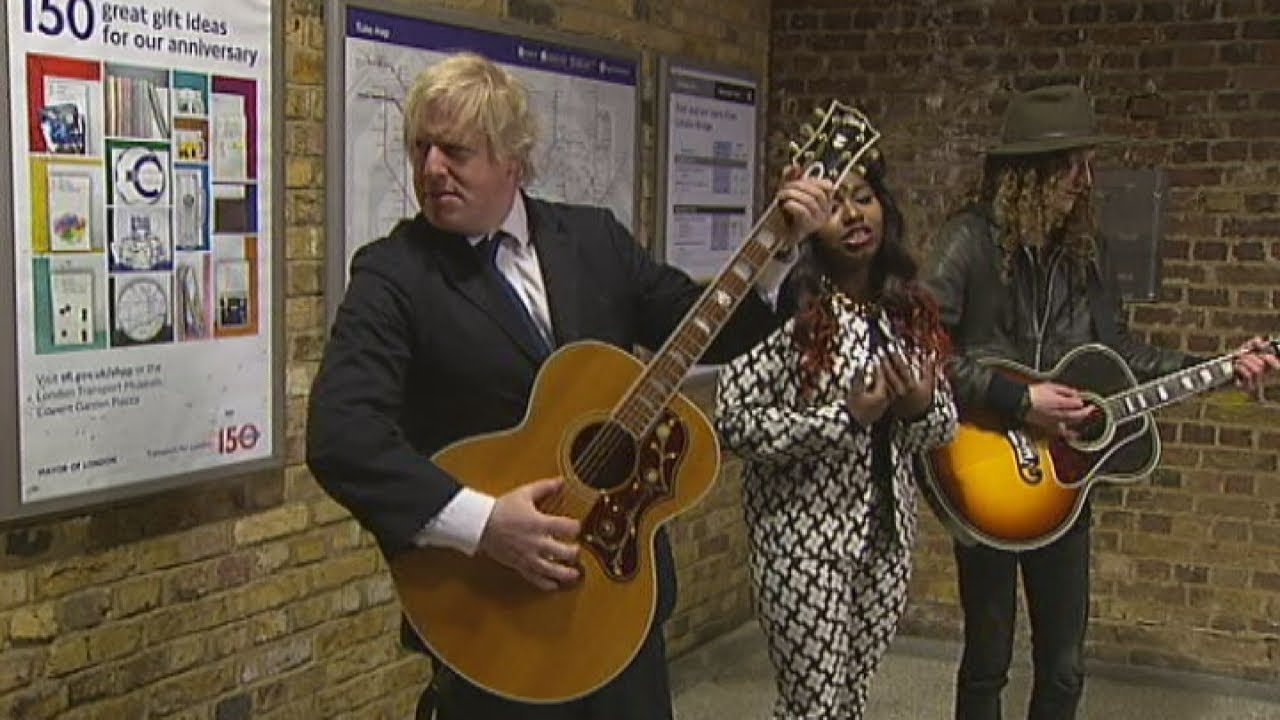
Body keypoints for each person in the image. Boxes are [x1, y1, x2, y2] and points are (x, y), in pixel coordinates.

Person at [305, 52, 830, 720]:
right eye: (421, 148)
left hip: (621, 592)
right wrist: (485, 523)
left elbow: (701, 328)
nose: (431, 169)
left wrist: (778, 251)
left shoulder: (594, 240)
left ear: (514, 161)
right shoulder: (392, 275)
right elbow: (342, 438)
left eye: (456, 151)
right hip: (492, 613)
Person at [924, 84, 1280, 720]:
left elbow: (1122, 358)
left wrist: (1221, 367)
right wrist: (1016, 398)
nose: (1084, 181)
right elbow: (922, 353)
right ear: (1027, 173)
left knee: (1064, 667)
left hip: (1063, 486)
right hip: (984, 474)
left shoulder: (1082, 253)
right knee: (987, 662)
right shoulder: (966, 245)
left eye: (1087, 165)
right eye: (1071, 166)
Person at [714, 138, 959, 719]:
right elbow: (734, 424)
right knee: (812, 709)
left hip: (884, 539)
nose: (854, 216)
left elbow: (943, 426)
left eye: (865, 199)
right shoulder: (784, 313)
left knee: (849, 703)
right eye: (835, 205)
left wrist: (919, 404)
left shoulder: (906, 309)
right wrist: (844, 418)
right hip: (804, 546)